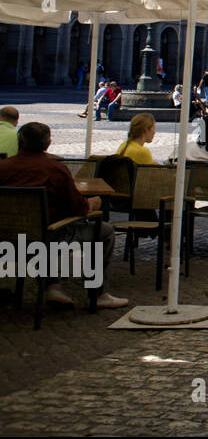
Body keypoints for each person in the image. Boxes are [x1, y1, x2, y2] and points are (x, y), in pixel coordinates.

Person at [0, 122, 128, 308]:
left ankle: (51, 286)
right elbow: (76, 207)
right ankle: (98, 294)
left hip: (8, 240)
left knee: (44, 231)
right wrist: (92, 203)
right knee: (104, 230)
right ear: (48, 143)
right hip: (47, 238)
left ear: (20, 141)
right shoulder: (55, 170)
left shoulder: (3, 168)